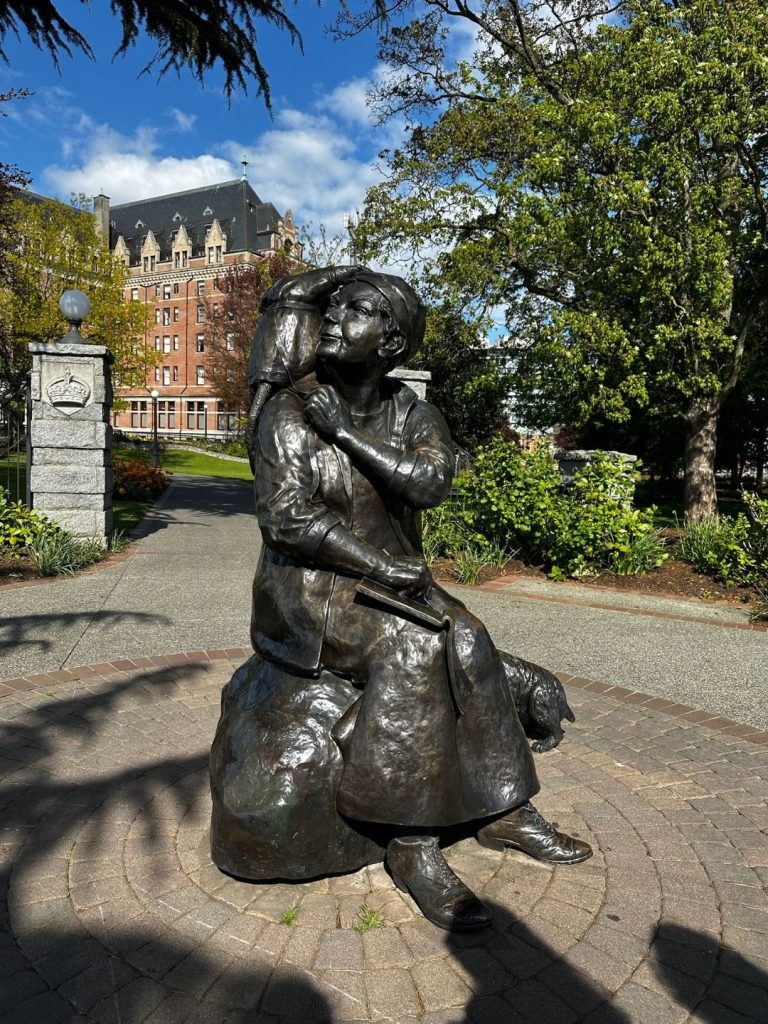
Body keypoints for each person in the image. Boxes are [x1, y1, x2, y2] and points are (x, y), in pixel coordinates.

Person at [249, 268, 591, 931]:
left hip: (394, 580)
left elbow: (431, 485)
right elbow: (287, 520)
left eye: (358, 310)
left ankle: (506, 811)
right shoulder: (290, 410)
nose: (336, 317)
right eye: (337, 305)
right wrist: (380, 562)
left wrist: (349, 434)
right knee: (413, 647)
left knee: (468, 636)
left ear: (393, 342)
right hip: (315, 593)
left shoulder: (412, 412)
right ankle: (412, 846)